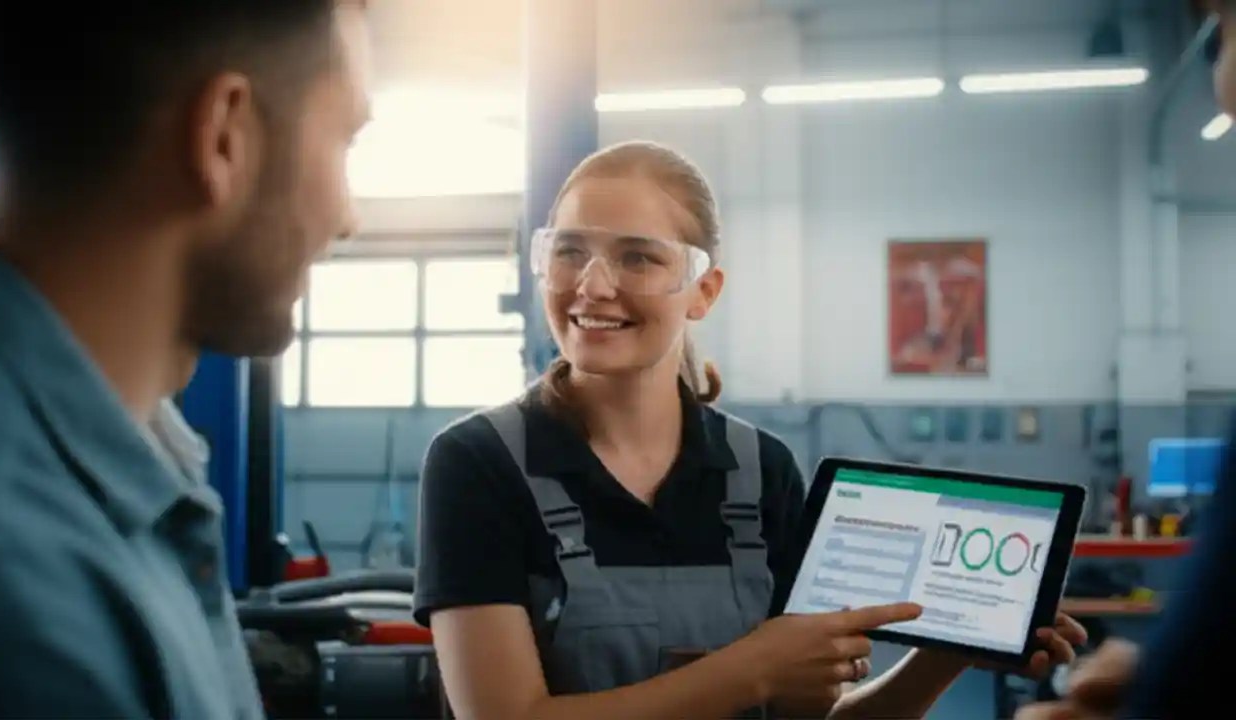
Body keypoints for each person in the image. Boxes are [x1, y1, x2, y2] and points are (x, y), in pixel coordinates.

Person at [415, 140, 1086, 720]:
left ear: (703, 291)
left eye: (638, 258)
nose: (591, 286)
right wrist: (754, 668)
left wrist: (939, 658)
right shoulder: (478, 464)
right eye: (568, 252)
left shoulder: (761, 470)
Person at [0, 1, 371, 717]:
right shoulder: (10, 584)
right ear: (225, 137)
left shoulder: (132, 462)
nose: (348, 215)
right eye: (344, 141)